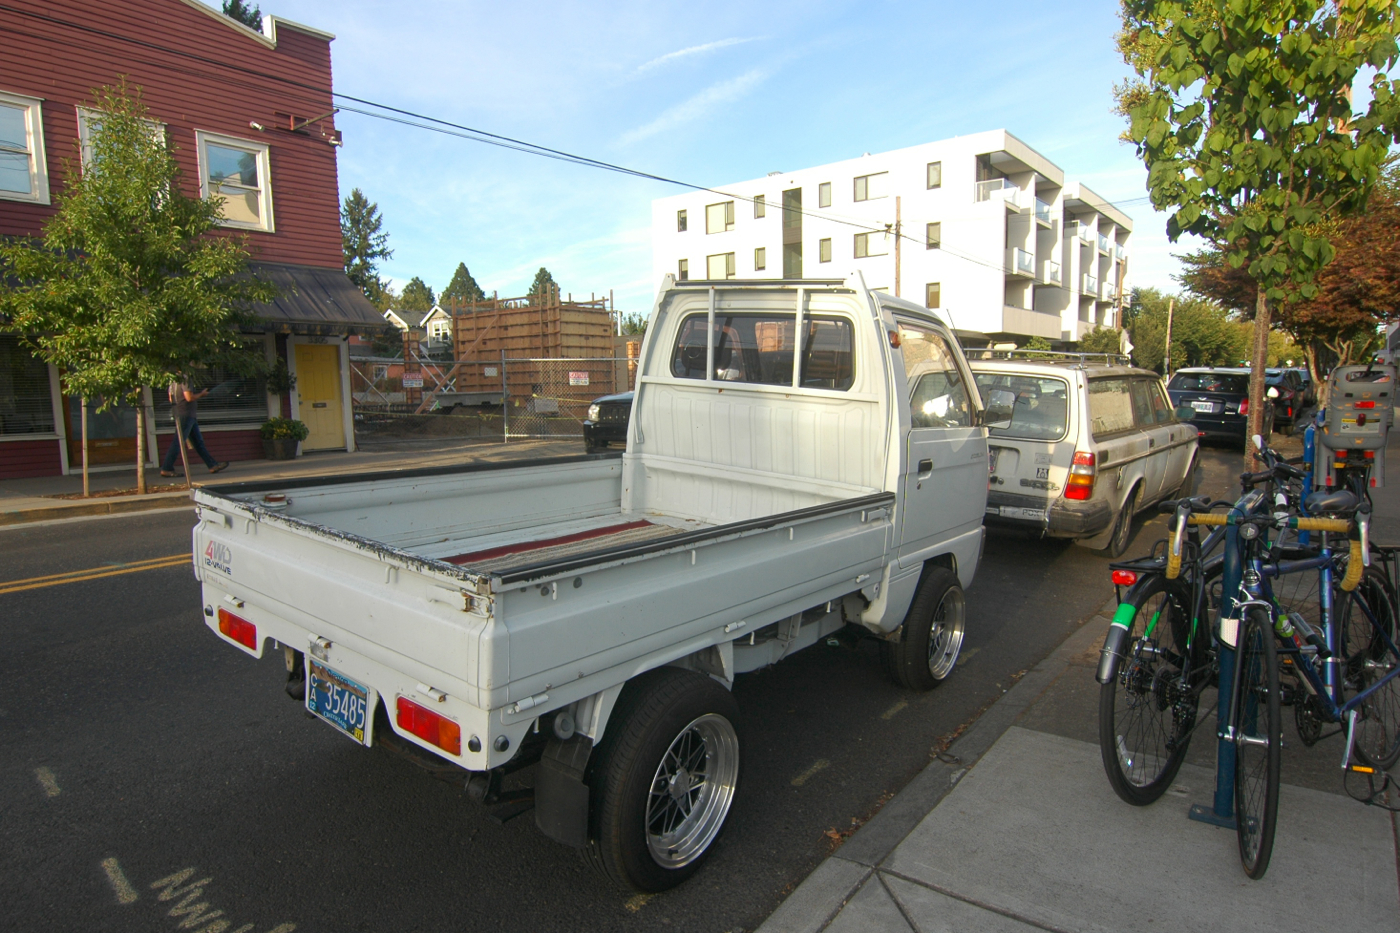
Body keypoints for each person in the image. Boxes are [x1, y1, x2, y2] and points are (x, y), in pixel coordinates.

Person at [160, 379, 228, 476]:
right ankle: (166, 468)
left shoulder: (173, 381)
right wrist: (202, 394)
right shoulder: (185, 379)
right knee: (178, 442)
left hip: (181, 413)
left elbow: (171, 399)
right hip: (186, 414)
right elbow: (189, 397)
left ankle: (212, 465)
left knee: (198, 442)